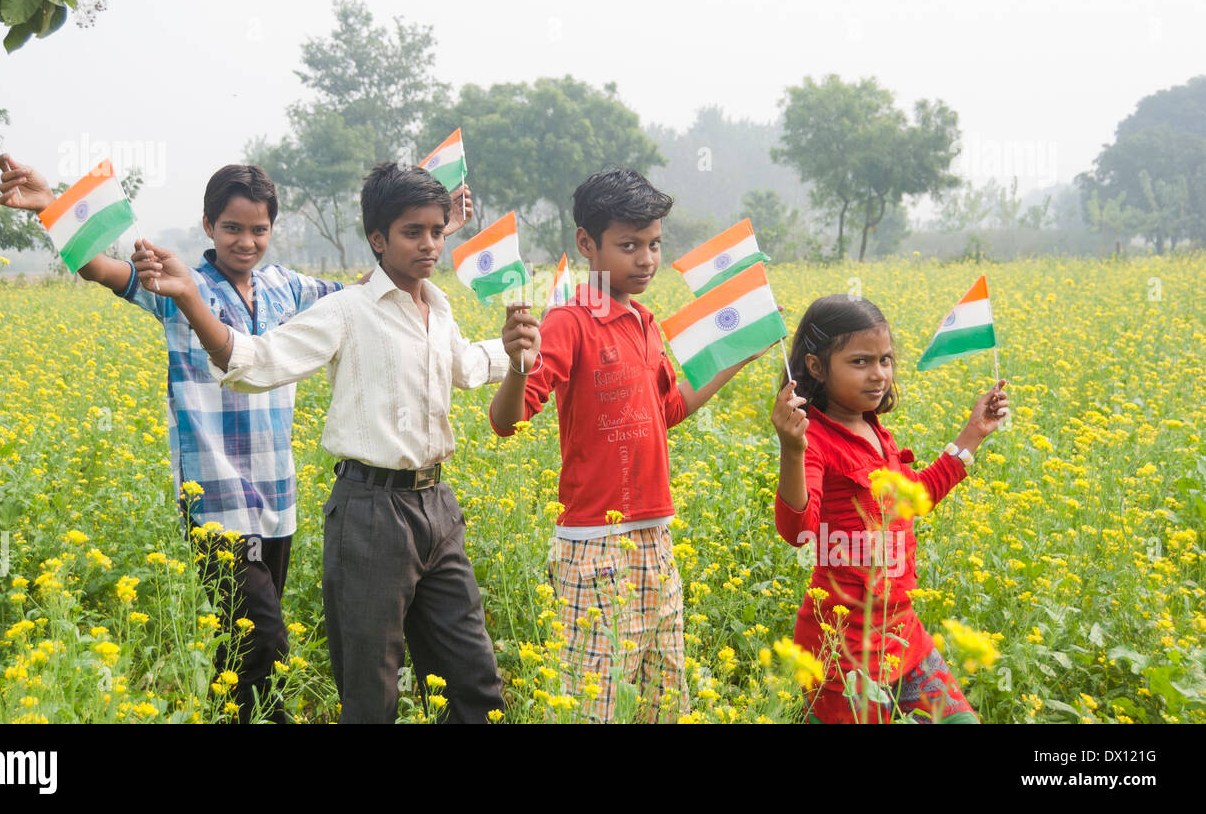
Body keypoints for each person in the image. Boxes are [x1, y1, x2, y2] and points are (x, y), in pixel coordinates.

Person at [0, 155, 469, 723]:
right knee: (263, 635)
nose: (246, 242)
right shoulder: (178, 286)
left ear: (272, 230)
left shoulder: (289, 289)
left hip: (276, 497)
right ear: (208, 227)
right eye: (232, 229)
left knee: (241, 643)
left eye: (259, 230)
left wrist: (432, 233)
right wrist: (51, 205)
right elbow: (99, 268)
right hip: (215, 500)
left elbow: (375, 286)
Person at [132, 162, 506, 724]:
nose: (430, 244)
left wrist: (526, 345)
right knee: (368, 685)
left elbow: (470, 366)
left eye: (437, 231)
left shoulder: (437, 308)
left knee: (473, 680)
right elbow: (250, 362)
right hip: (371, 510)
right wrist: (189, 295)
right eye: (414, 232)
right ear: (377, 240)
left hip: (436, 505)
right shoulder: (346, 312)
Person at [489, 167, 763, 723]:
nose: (645, 259)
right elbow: (506, 422)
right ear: (586, 243)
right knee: (593, 705)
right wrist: (518, 369)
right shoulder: (569, 320)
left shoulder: (644, 321)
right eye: (629, 245)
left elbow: (666, 412)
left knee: (662, 700)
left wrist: (733, 358)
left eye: (655, 244)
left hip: (656, 539)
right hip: (594, 546)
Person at [769, 294, 1009, 723]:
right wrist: (792, 448)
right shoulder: (815, 441)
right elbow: (799, 531)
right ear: (815, 367)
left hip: (904, 636)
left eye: (885, 360)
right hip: (843, 650)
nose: (878, 374)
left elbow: (915, 497)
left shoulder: (876, 430)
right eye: (860, 362)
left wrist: (974, 432)